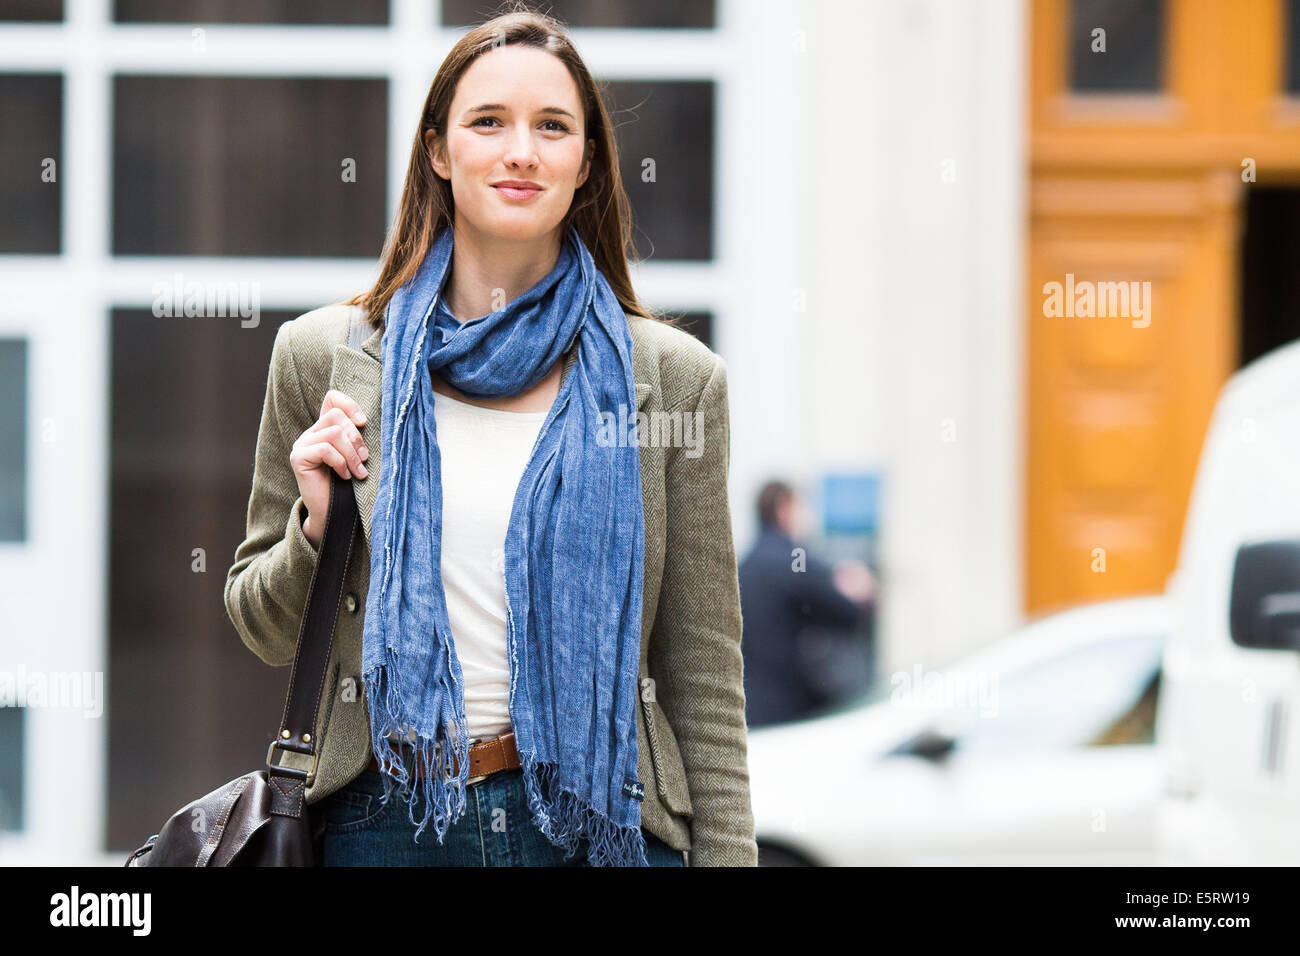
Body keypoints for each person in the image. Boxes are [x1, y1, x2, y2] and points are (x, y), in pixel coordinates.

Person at [223, 4, 755, 866]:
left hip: (601, 825)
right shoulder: (325, 358)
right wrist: (316, 527)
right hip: (388, 825)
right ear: (439, 149)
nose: (522, 151)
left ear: (585, 161)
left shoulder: (674, 380)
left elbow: (703, 673)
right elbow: (262, 628)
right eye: (488, 122)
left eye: (553, 126)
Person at [739, 480, 875, 728]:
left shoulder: (744, 565)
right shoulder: (793, 558)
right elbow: (846, 610)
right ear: (784, 509)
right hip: (792, 711)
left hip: (751, 706)